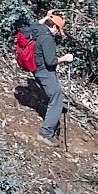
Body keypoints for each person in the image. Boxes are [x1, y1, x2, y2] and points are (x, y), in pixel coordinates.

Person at [20, 11, 74, 145]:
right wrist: (65, 58)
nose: (57, 33)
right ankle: (45, 134)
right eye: (58, 30)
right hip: (43, 70)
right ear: (55, 27)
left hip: (35, 68)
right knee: (57, 97)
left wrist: (46, 16)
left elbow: (34, 24)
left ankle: (50, 128)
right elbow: (51, 61)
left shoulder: (39, 28)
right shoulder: (47, 38)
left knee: (54, 95)